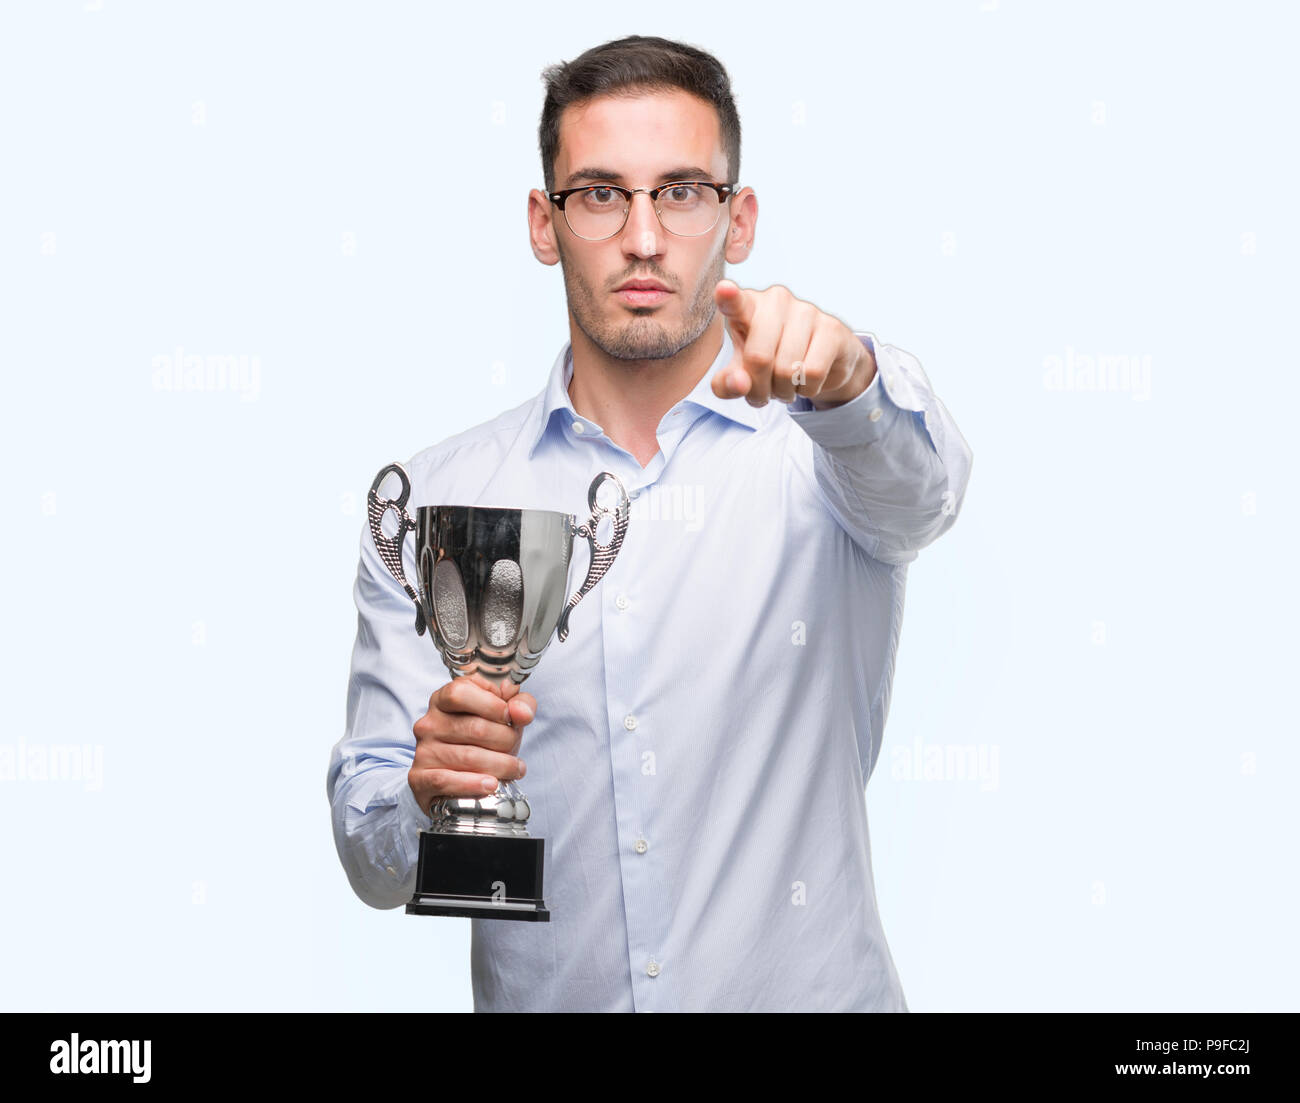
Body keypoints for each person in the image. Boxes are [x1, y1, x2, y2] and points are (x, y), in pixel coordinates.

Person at [327, 34, 973, 1012]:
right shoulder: (433, 501)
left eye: (679, 191)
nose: (641, 236)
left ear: (738, 218)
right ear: (544, 225)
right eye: (599, 194)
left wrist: (852, 383)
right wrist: (426, 794)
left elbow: (923, 491)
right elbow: (372, 858)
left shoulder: (824, 455)